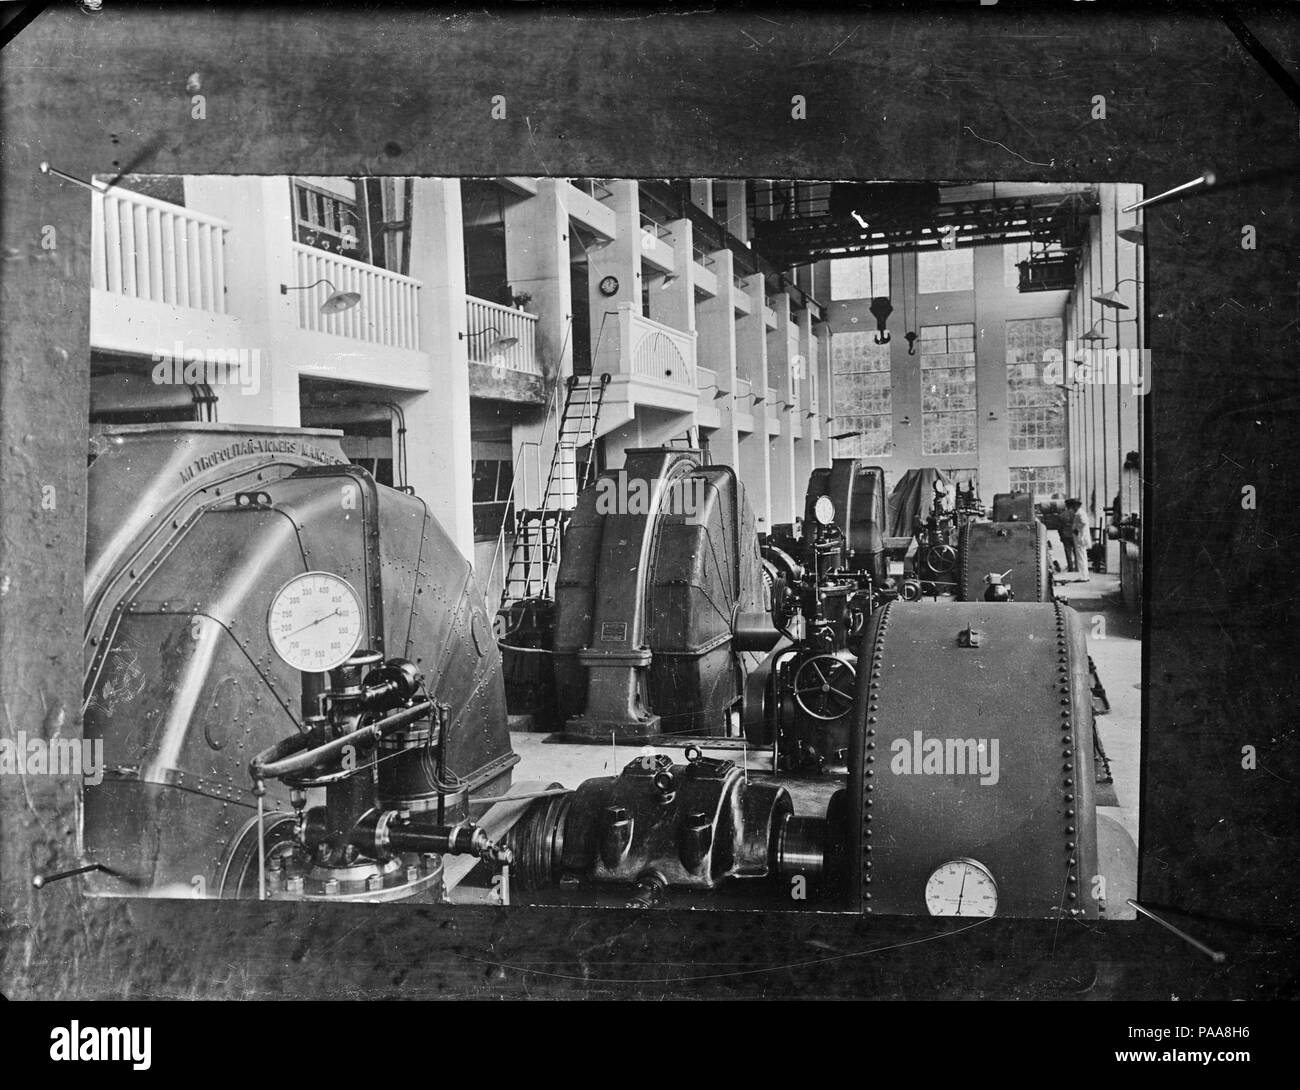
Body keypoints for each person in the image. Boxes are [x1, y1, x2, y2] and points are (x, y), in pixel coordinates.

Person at [1062, 498, 1090, 579]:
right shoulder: (1080, 512)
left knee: (1081, 558)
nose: (1072, 508)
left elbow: (1083, 523)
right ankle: (1085, 575)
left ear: (1076, 506)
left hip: (1080, 538)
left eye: (1073, 506)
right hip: (1080, 537)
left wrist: (1076, 529)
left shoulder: (1079, 513)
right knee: (1082, 557)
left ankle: (1083, 576)